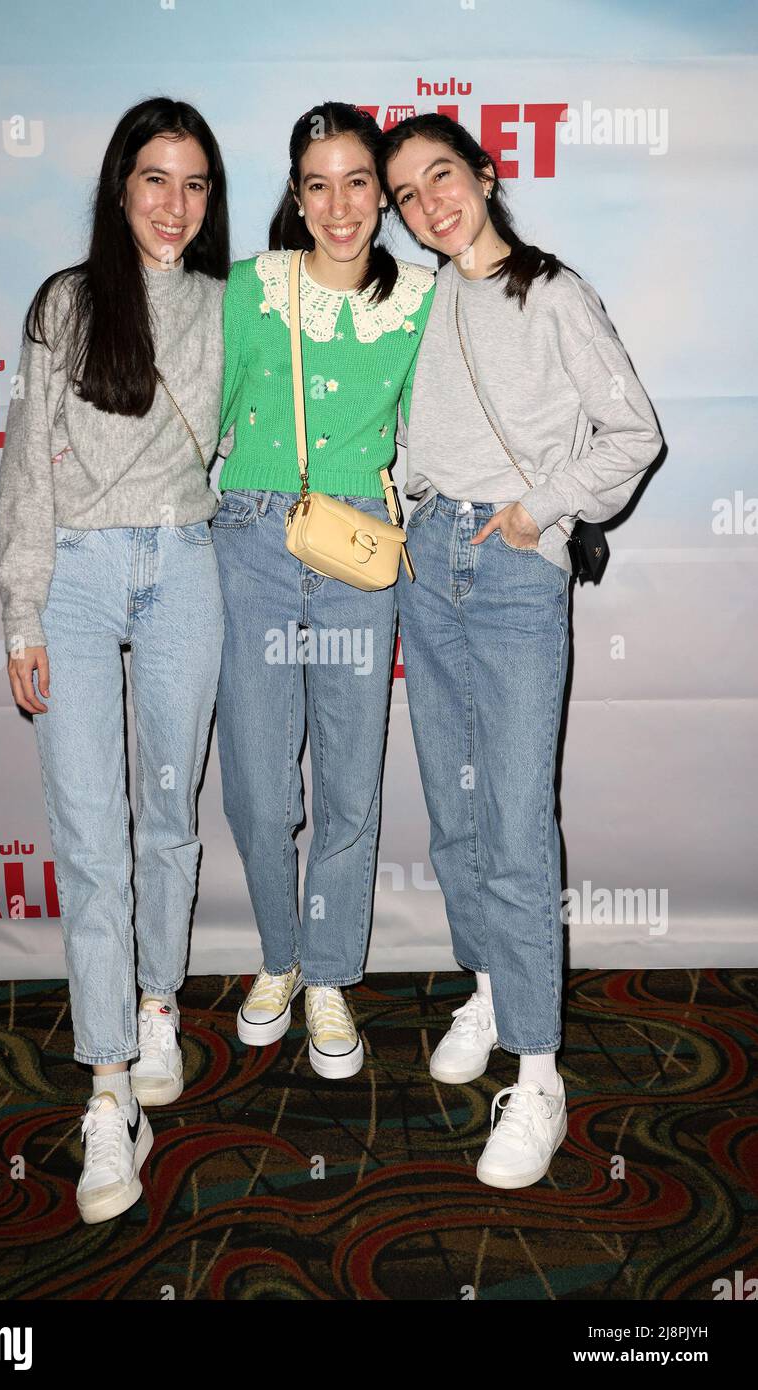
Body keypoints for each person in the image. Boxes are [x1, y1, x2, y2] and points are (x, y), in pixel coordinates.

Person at [381, 113, 661, 1188]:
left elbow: (632, 432)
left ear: (487, 175)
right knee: (454, 812)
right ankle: (492, 985)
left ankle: (538, 1071)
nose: (426, 205)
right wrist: (405, 504)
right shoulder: (424, 301)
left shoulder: (552, 294)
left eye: (439, 178)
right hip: (427, 560)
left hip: (509, 564)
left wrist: (536, 510)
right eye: (406, 194)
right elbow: (413, 425)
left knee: (510, 815)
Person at [0, 97, 229, 1223]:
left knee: (171, 810)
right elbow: (27, 473)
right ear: (118, 185)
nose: (174, 205)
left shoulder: (233, 311)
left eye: (194, 184)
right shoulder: (67, 302)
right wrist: (20, 615)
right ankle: (104, 1091)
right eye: (154, 179)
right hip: (80, 575)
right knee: (91, 834)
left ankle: (155, 1006)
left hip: (188, 564)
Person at [213, 101, 435, 1078]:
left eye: (358, 182)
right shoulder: (245, 290)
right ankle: (278, 956)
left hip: (359, 543)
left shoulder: (423, 297)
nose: (340, 204)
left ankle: (329, 974)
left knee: (349, 775)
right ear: (295, 198)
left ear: (379, 199)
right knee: (261, 786)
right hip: (253, 537)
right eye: (319, 183)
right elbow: (193, 420)